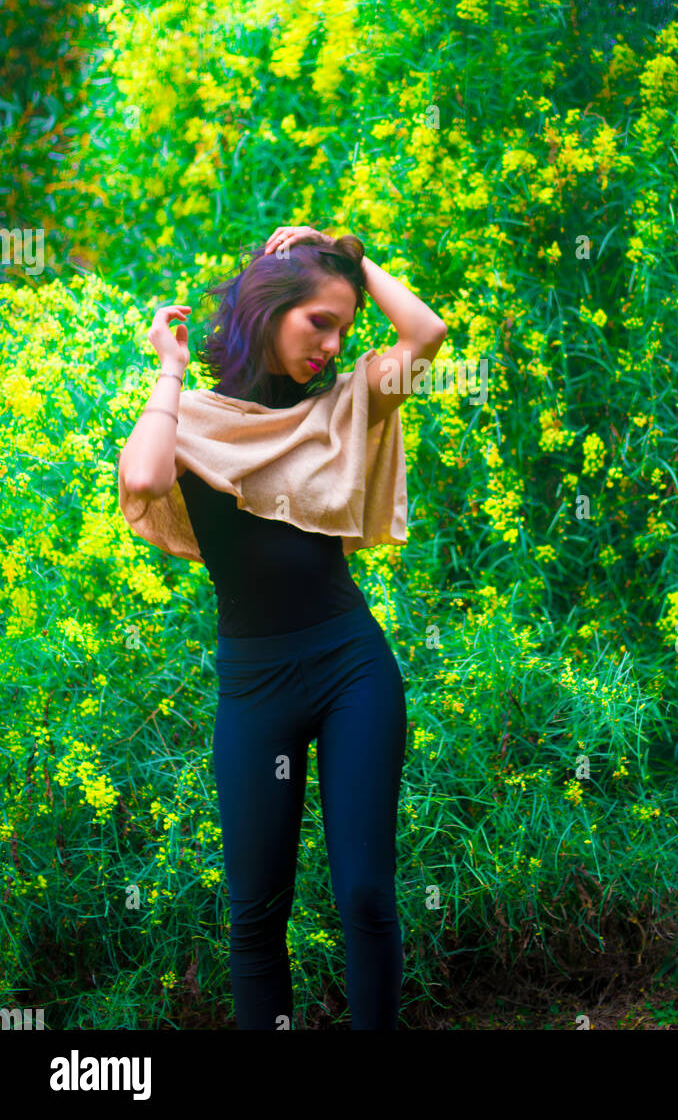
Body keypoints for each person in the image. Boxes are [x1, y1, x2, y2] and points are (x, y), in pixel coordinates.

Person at [117, 225, 447, 1030]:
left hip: (349, 670)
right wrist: (169, 370)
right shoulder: (193, 419)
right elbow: (145, 476)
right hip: (256, 684)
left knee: (365, 892)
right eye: (317, 323)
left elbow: (427, 333)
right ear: (271, 311)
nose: (334, 345)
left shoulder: (346, 403)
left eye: (344, 327)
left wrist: (352, 258)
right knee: (256, 911)